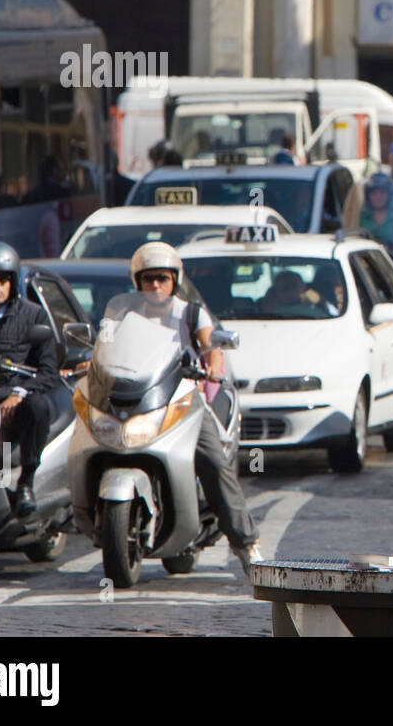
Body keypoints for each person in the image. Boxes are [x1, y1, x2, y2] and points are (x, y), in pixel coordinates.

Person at [125, 242, 263, 575]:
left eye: (162, 278)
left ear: (174, 280)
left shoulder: (190, 312)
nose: (155, 286)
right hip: (143, 400)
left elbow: (210, 345)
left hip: (185, 399)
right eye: (148, 279)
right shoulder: (125, 315)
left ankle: (246, 544)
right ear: (137, 282)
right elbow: (110, 348)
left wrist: (212, 368)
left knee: (213, 461)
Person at [0, 243, 58, 517]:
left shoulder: (33, 316)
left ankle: (26, 483)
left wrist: (18, 394)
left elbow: (48, 371)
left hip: (17, 403)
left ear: (13, 282)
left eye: (3, 279)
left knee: (38, 407)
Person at [359, 172, 393, 249]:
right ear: (368, 195)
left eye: (382, 192)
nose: (378, 197)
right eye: (373, 193)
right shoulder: (362, 215)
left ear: (389, 195)